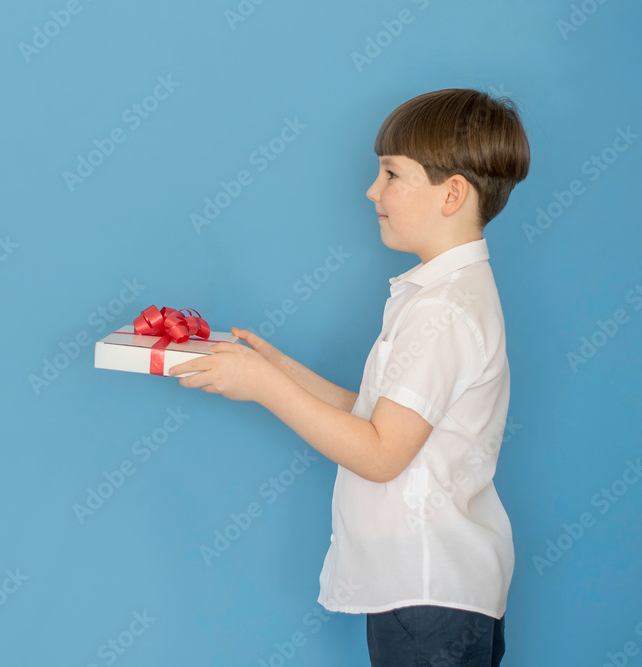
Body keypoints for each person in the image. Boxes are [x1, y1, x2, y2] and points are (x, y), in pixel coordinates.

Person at [168, 88, 530, 666]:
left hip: (427, 591)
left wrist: (263, 386)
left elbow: (381, 454)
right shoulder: (444, 294)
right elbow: (379, 416)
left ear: (452, 193)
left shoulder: (443, 310)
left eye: (391, 174)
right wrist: (277, 370)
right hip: (433, 589)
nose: (371, 190)